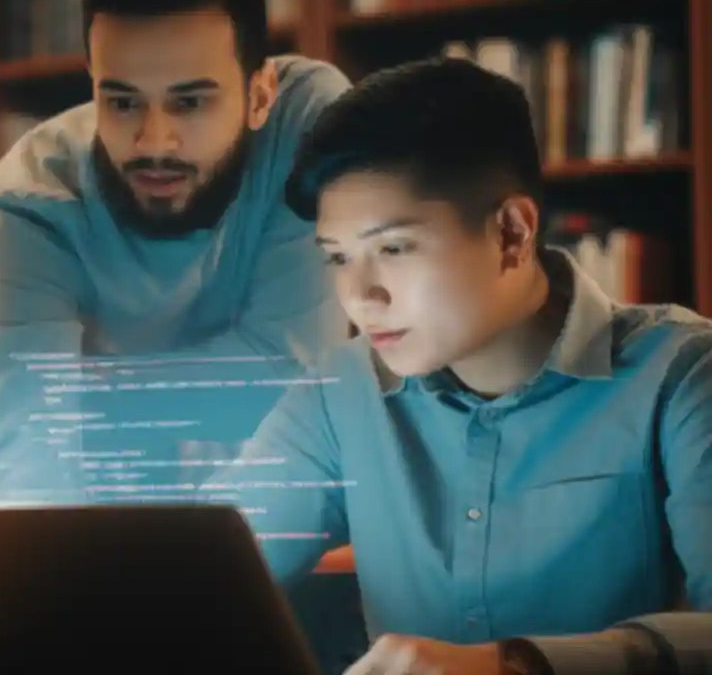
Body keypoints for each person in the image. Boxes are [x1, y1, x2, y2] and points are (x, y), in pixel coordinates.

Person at [212, 57, 711, 674]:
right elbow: (203, 575)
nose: (361, 296)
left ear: (511, 232)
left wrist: (511, 666)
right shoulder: (340, 393)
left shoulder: (681, 375)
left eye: (393, 248)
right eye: (339, 258)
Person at [0, 0, 348, 502]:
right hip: (111, 535)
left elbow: (295, 375)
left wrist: (89, 398)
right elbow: (28, 462)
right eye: (122, 102)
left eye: (189, 102)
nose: (153, 142)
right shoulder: (24, 211)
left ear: (261, 97)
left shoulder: (306, 119)